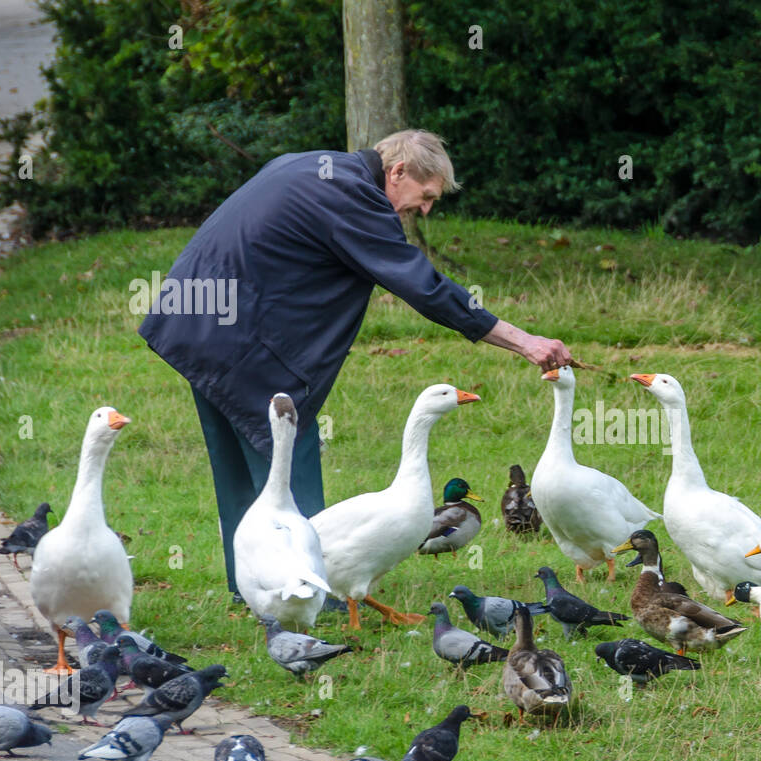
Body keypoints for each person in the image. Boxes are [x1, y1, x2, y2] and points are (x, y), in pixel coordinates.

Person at [138, 129, 571, 598]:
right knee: (287, 468)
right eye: (425, 196)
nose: (424, 209)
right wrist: (523, 341)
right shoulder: (353, 196)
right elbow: (423, 287)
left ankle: (251, 593)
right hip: (246, 345)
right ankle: (306, 597)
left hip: (194, 325)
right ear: (397, 171)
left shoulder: (308, 163)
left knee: (239, 476)